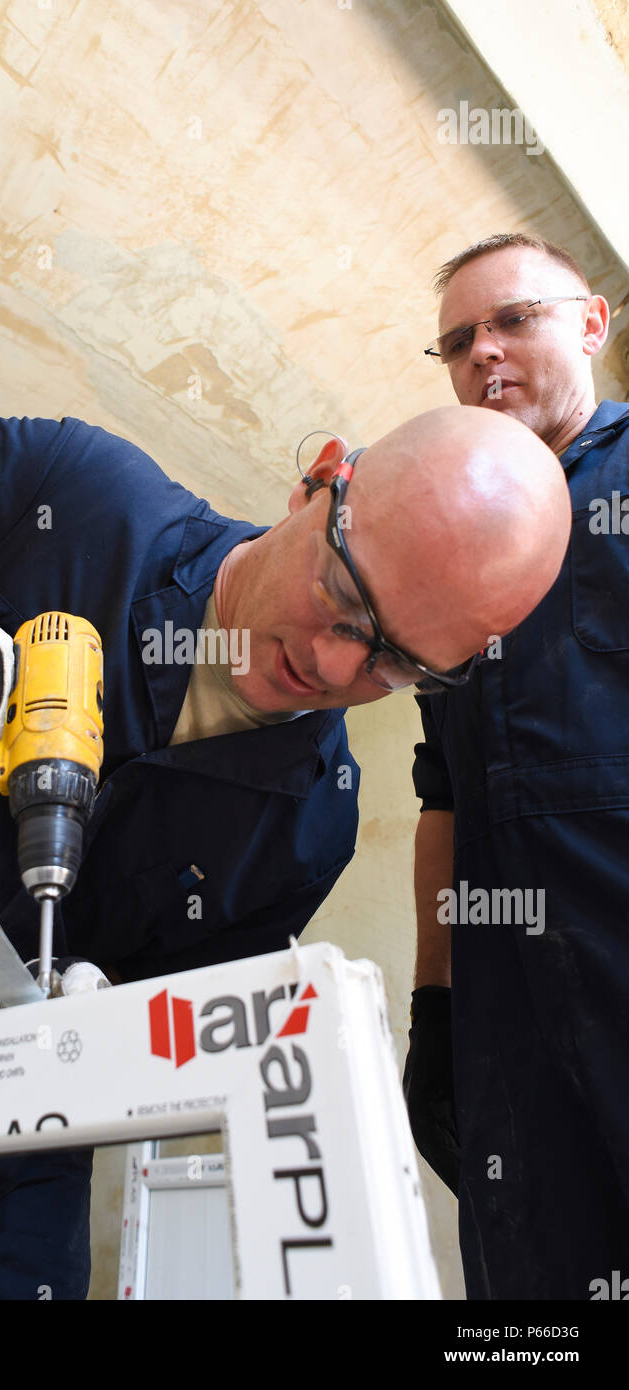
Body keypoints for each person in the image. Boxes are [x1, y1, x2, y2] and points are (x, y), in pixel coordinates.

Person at [0, 399, 568, 1299]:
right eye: (344, 599)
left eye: (397, 662)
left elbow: (166, 1030)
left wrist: (116, 1029)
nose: (338, 667)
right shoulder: (86, 496)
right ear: (317, 481)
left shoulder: (311, 828)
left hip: (18, 1137)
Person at [404, 231, 629, 1300]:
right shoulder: (447, 549)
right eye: (456, 341)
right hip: (508, 1025)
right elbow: (438, 802)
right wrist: (433, 1008)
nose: (480, 354)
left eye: (510, 321)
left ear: (589, 324)